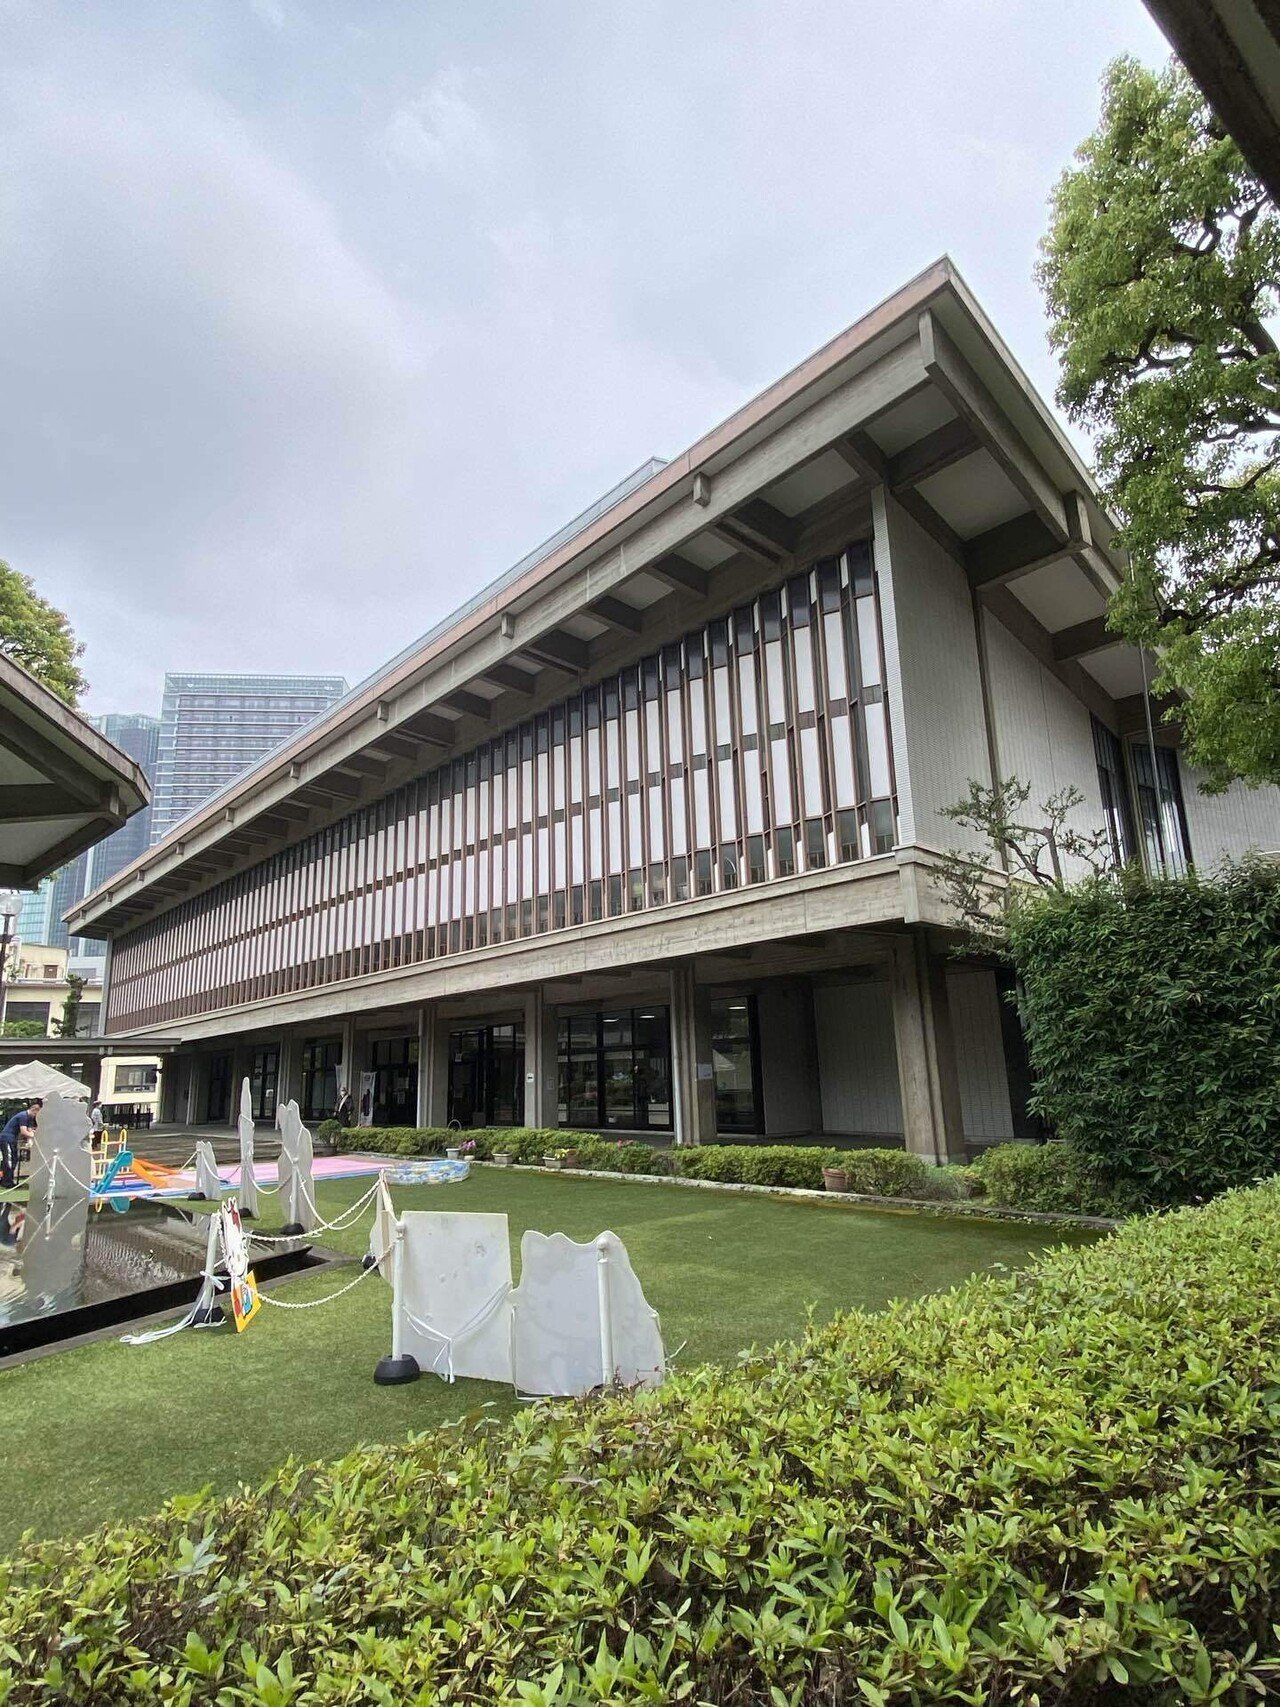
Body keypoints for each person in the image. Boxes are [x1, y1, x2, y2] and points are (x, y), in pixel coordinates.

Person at [0, 1098, 41, 1190]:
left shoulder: (29, 1118)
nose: (36, 1117)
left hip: (12, 1139)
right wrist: (34, 1135)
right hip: (7, 1138)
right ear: (34, 1110)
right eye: (37, 1114)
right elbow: (24, 1132)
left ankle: (7, 1180)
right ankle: (6, 1182)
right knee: (9, 1160)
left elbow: (30, 1131)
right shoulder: (23, 1116)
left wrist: (34, 1136)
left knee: (14, 1159)